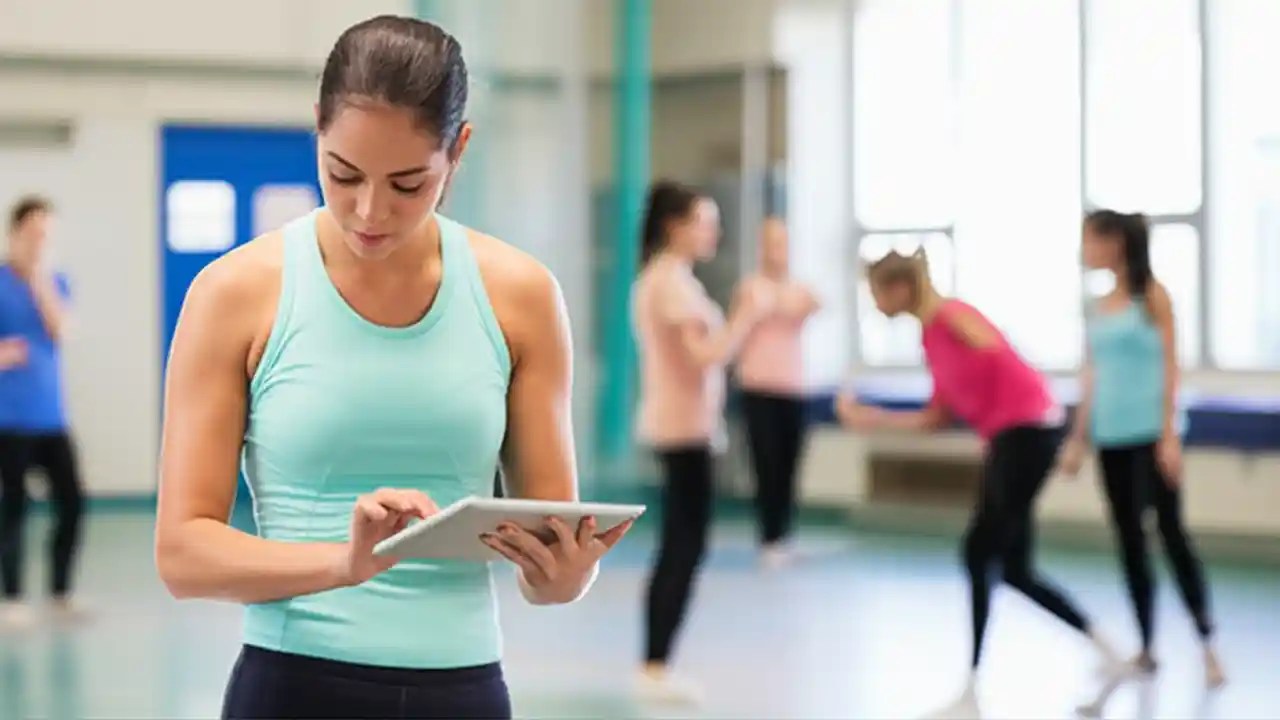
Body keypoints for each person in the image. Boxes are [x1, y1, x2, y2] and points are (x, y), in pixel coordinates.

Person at [154, 16, 632, 720]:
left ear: (458, 150)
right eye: (342, 174)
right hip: (294, 687)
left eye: (408, 184)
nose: (369, 211)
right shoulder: (235, 293)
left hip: (462, 692)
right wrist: (344, 565)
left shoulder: (521, 296)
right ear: (317, 128)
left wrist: (564, 576)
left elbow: (550, 558)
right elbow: (183, 555)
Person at [834, 248, 1123, 711]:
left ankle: (971, 686)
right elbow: (935, 419)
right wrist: (872, 419)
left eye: (877, 292)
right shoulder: (931, 339)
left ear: (899, 288)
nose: (875, 303)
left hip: (1027, 433)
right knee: (1012, 568)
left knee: (978, 550)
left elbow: (994, 351)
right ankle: (1105, 647)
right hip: (1013, 438)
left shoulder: (951, 317)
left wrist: (1010, 420)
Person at [1057, 209, 1225, 688]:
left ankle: (1207, 643)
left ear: (1115, 242)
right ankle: (1148, 646)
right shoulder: (1095, 305)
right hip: (1110, 435)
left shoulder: (1153, 296)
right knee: (1130, 541)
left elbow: (1171, 366)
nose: (1086, 249)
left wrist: (1169, 435)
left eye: (1092, 239)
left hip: (1151, 435)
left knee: (1171, 534)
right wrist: (1077, 438)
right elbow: (1090, 374)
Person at [631, 181, 766, 703]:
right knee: (682, 546)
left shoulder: (673, 280)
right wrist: (745, 315)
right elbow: (703, 357)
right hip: (681, 429)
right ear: (675, 226)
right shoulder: (669, 283)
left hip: (688, 427)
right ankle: (655, 663)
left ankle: (657, 661)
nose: (713, 232)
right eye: (704, 222)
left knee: (684, 544)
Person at [0, 195, 85, 629]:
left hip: (51, 417)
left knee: (72, 503)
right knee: (13, 508)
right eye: (32, 234)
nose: (38, 242)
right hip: (8, 420)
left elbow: (60, 330)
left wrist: (39, 280)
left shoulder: (56, 282)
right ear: (14, 234)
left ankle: (60, 593)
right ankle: (12, 596)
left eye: (45, 236)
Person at [733, 216, 819, 568]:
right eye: (771, 243)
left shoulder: (798, 287)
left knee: (789, 466)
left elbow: (813, 304)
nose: (777, 250)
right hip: (758, 389)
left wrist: (783, 305)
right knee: (766, 465)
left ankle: (785, 535)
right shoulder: (751, 287)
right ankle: (768, 538)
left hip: (793, 388)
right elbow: (760, 314)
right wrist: (782, 306)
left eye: (782, 243)